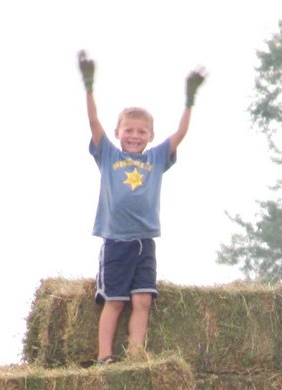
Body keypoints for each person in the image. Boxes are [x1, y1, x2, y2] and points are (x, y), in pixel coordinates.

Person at [77, 50, 205, 365]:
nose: (135, 136)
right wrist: (89, 87)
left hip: (144, 241)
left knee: (143, 300)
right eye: (129, 131)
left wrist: (189, 100)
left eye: (141, 132)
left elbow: (181, 134)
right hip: (116, 241)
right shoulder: (108, 154)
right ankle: (105, 357)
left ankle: (135, 357)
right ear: (118, 133)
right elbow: (93, 121)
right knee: (115, 301)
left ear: (150, 136)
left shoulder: (155, 159)